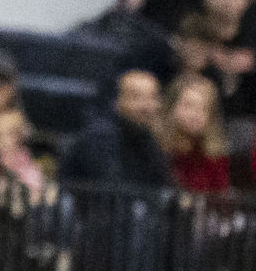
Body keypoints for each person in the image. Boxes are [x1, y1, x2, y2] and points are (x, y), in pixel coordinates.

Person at [69, 66, 177, 194]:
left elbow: (166, 188)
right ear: (117, 101)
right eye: (136, 97)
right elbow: (113, 192)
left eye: (152, 97)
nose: (146, 106)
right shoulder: (98, 139)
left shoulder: (147, 139)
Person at [161, 72, 244, 200]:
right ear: (172, 107)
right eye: (188, 105)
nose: (195, 115)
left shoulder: (215, 157)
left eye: (203, 108)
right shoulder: (159, 150)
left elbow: (220, 199)